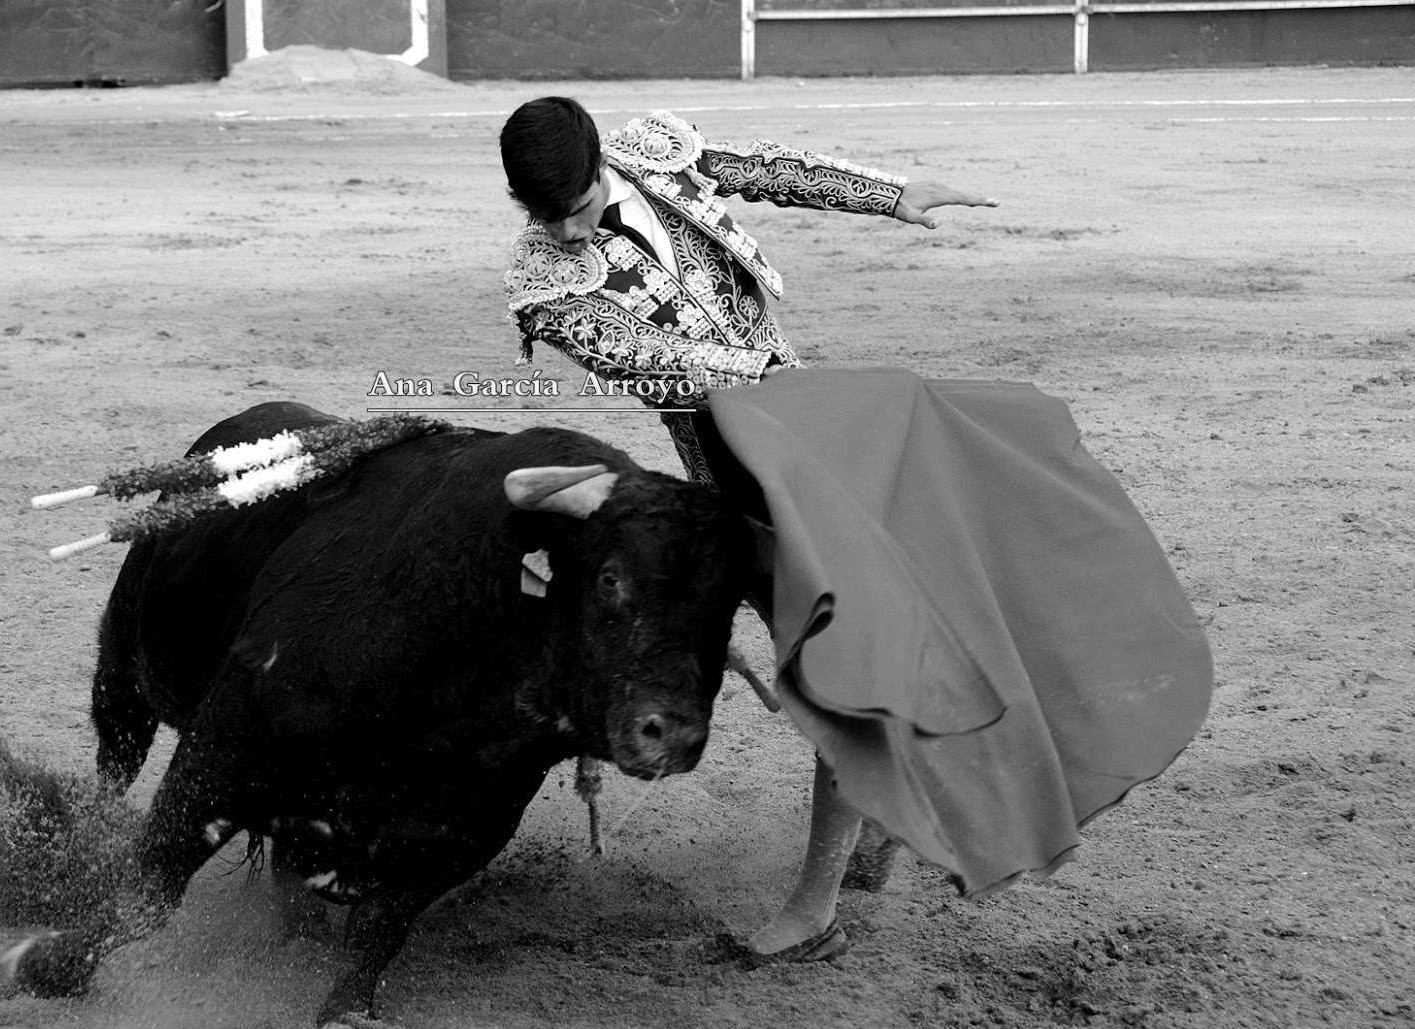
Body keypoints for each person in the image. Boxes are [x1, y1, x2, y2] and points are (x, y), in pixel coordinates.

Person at [497, 98, 1211, 963]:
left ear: (598, 159)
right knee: (845, 659)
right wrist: (791, 384)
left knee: (862, 652)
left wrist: (891, 191)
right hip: (744, 469)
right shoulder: (543, 284)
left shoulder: (654, 149)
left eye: (576, 208)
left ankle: (820, 899)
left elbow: (760, 167)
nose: (569, 233)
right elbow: (657, 360)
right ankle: (868, 838)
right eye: (549, 218)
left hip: (827, 430)